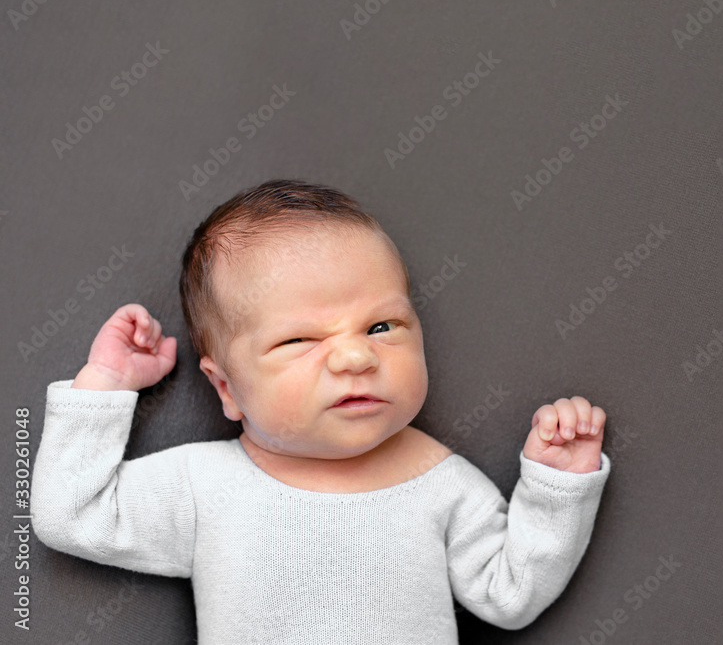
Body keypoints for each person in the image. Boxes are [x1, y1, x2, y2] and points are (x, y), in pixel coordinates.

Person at [31, 179, 612, 643]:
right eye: (300, 341)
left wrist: (556, 488)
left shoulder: (443, 486)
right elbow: (73, 514)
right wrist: (106, 384)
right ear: (226, 388)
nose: (358, 355)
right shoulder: (204, 487)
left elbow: (510, 596)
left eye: (382, 326)